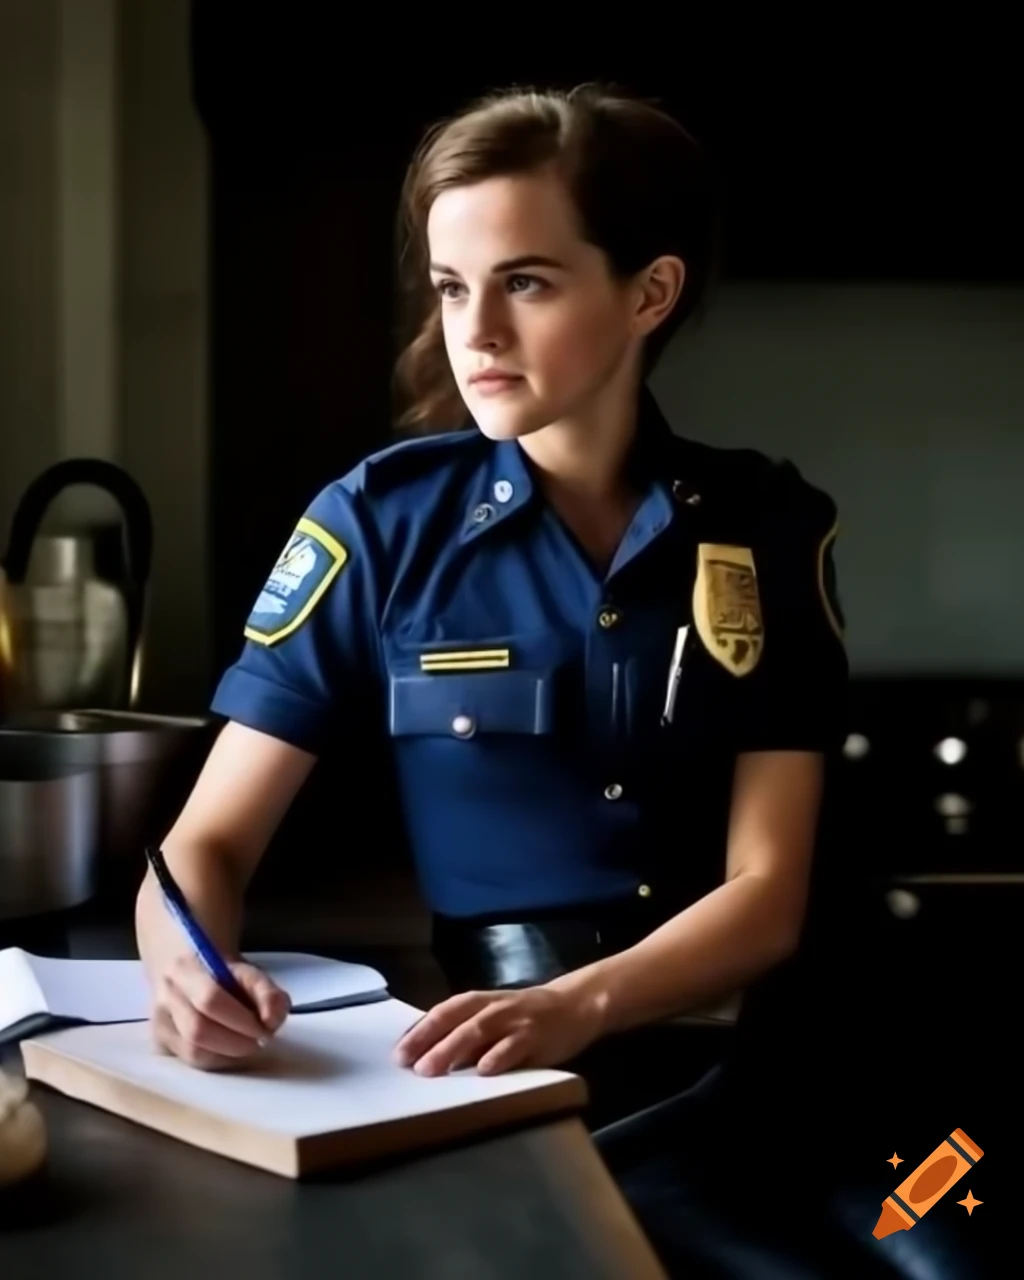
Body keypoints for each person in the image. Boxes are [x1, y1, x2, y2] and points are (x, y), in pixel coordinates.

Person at [135, 85, 973, 1278]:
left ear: (649, 293)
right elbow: (202, 847)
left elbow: (770, 887)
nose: (474, 330)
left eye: (524, 281)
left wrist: (577, 1000)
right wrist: (186, 969)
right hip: (542, 1086)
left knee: (956, 1247)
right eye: (449, 286)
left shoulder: (766, 524)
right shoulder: (380, 526)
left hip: (816, 1060)